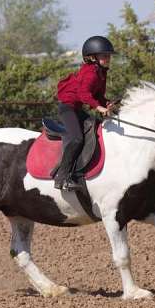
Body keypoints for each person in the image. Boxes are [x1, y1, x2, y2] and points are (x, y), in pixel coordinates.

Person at [54, 35, 116, 191]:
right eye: (104, 55)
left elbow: (98, 96)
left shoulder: (101, 72)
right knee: (76, 139)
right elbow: (83, 94)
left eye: (108, 55)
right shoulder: (90, 72)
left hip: (77, 109)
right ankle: (62, 177)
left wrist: (106, 103)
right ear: (92, 58)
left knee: (96, 128)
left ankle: (83, 172)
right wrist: (99, 107)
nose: (108, 58)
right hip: (67, 108)